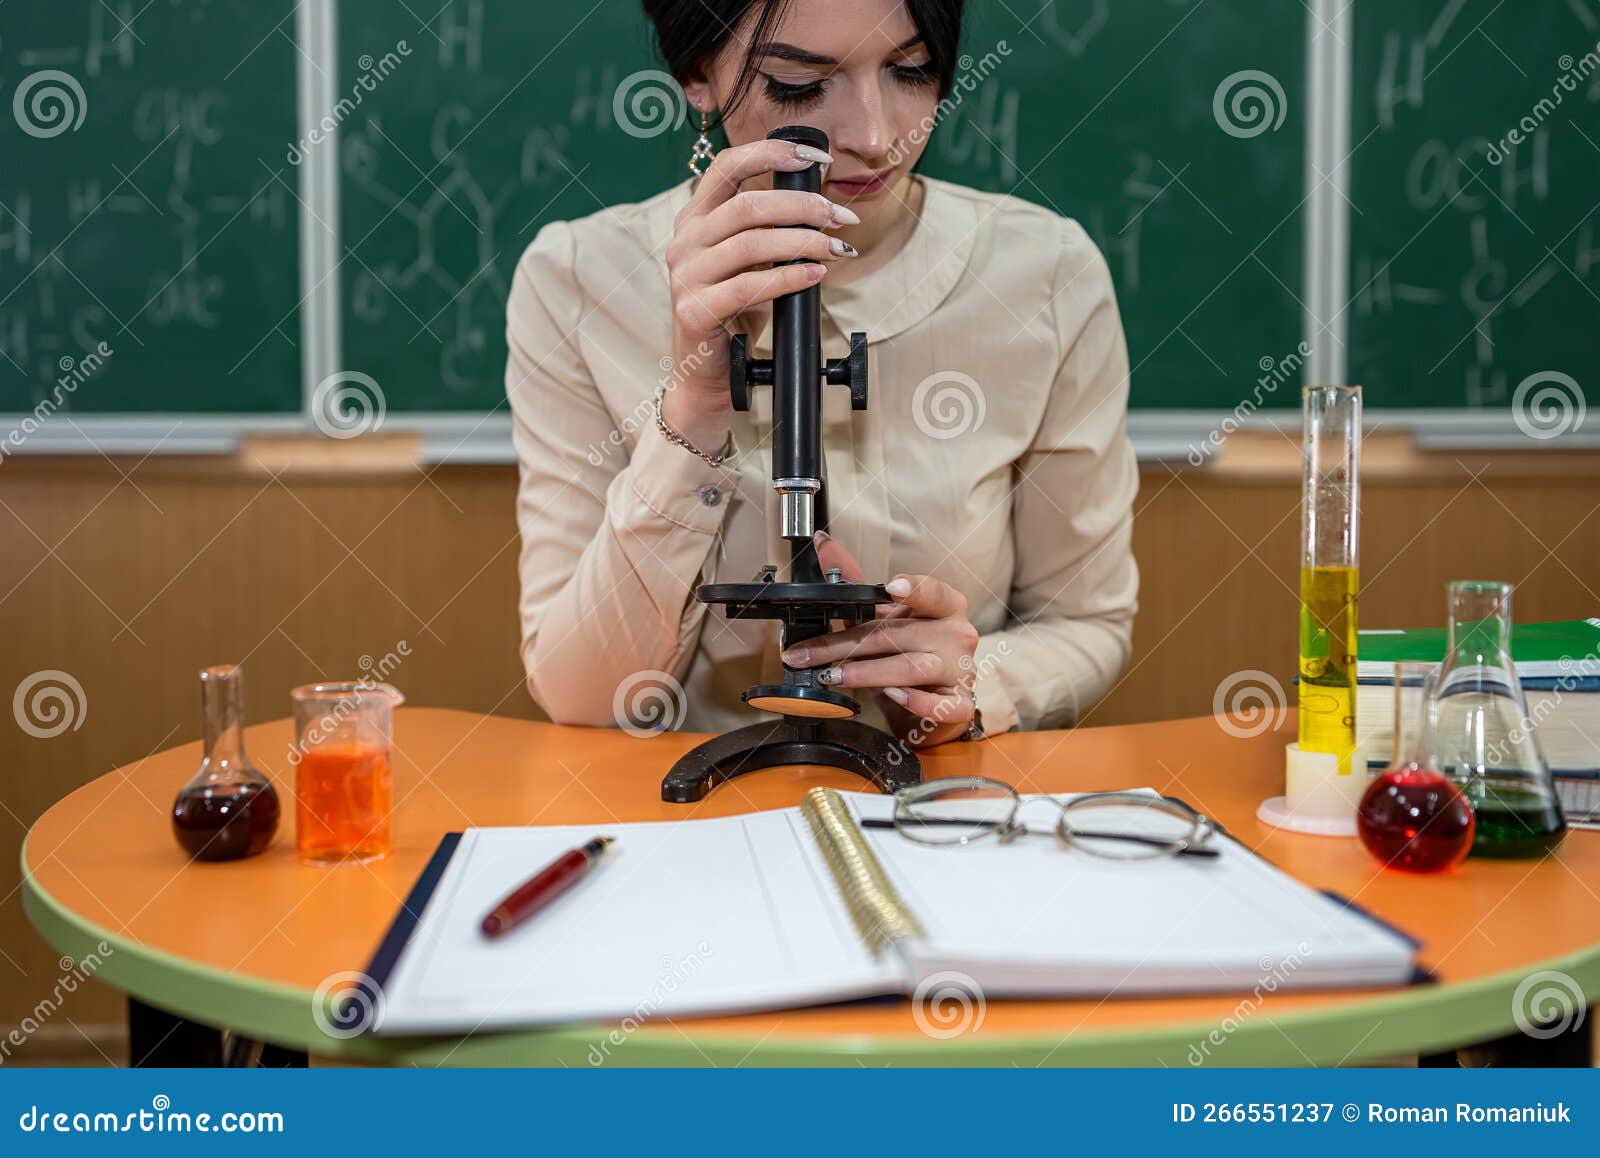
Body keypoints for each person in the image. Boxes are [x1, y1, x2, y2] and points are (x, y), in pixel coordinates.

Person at [507, 0, 1138, 747]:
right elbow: (579, 693)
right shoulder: (579, 280)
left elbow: (1089, 623)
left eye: (913, 71)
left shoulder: (1047, 275)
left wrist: (972, 683)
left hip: (932, 819)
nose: (875, 136)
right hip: (684, 827)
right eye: (798, 86)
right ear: (695, 77)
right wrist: (697, 403)